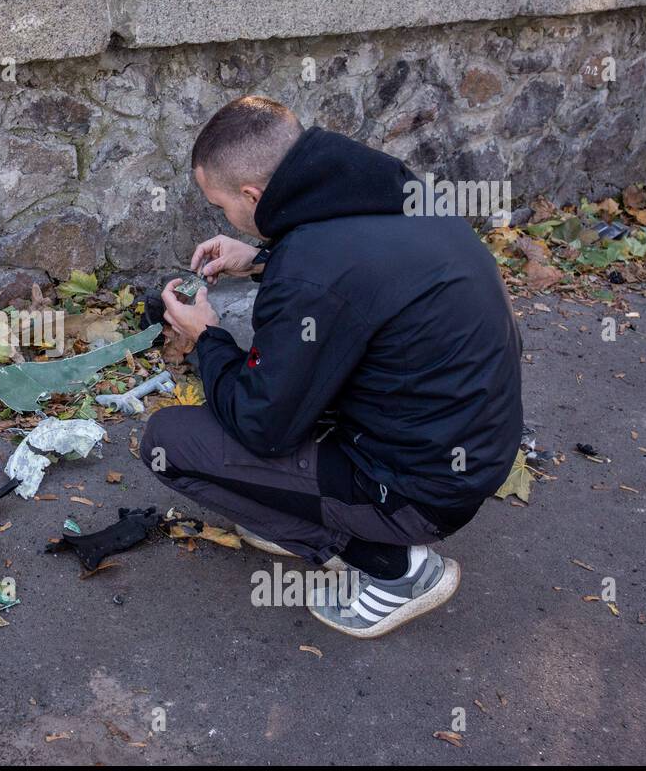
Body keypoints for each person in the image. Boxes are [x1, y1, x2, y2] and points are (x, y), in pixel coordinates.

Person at [140, 96, 522, 638]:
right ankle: (311, 508)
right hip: (476, 443)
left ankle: (393, 566)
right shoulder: (390, 188)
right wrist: (263, 259)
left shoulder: (311, 272)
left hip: (419, 491)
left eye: (223, 205)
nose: (226, 218)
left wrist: (205, 336)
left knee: (167, 442)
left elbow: (262, 426)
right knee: (281, 354)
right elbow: (364, 279)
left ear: (251, 194)